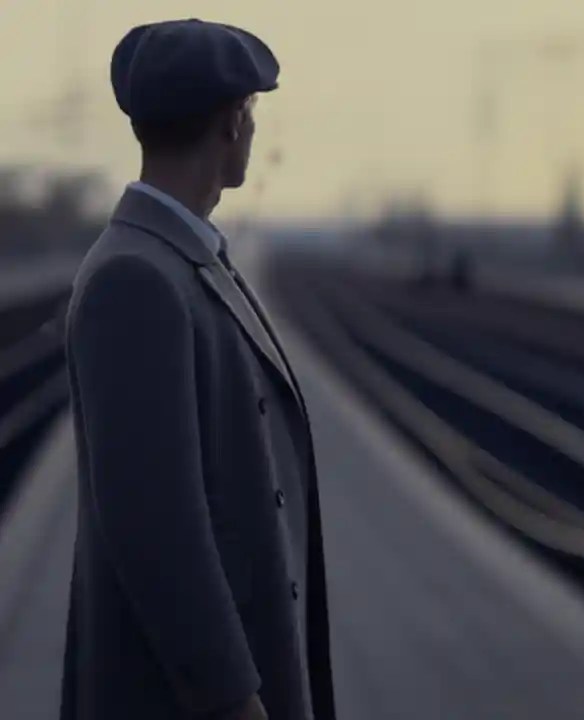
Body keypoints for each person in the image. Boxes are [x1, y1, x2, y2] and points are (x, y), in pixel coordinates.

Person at [61, 19, 335, 720]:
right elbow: (158, 532)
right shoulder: (138, 278)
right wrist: (233, 699)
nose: (252, 130)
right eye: (250, 113)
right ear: (230, 124)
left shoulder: (178, 260)